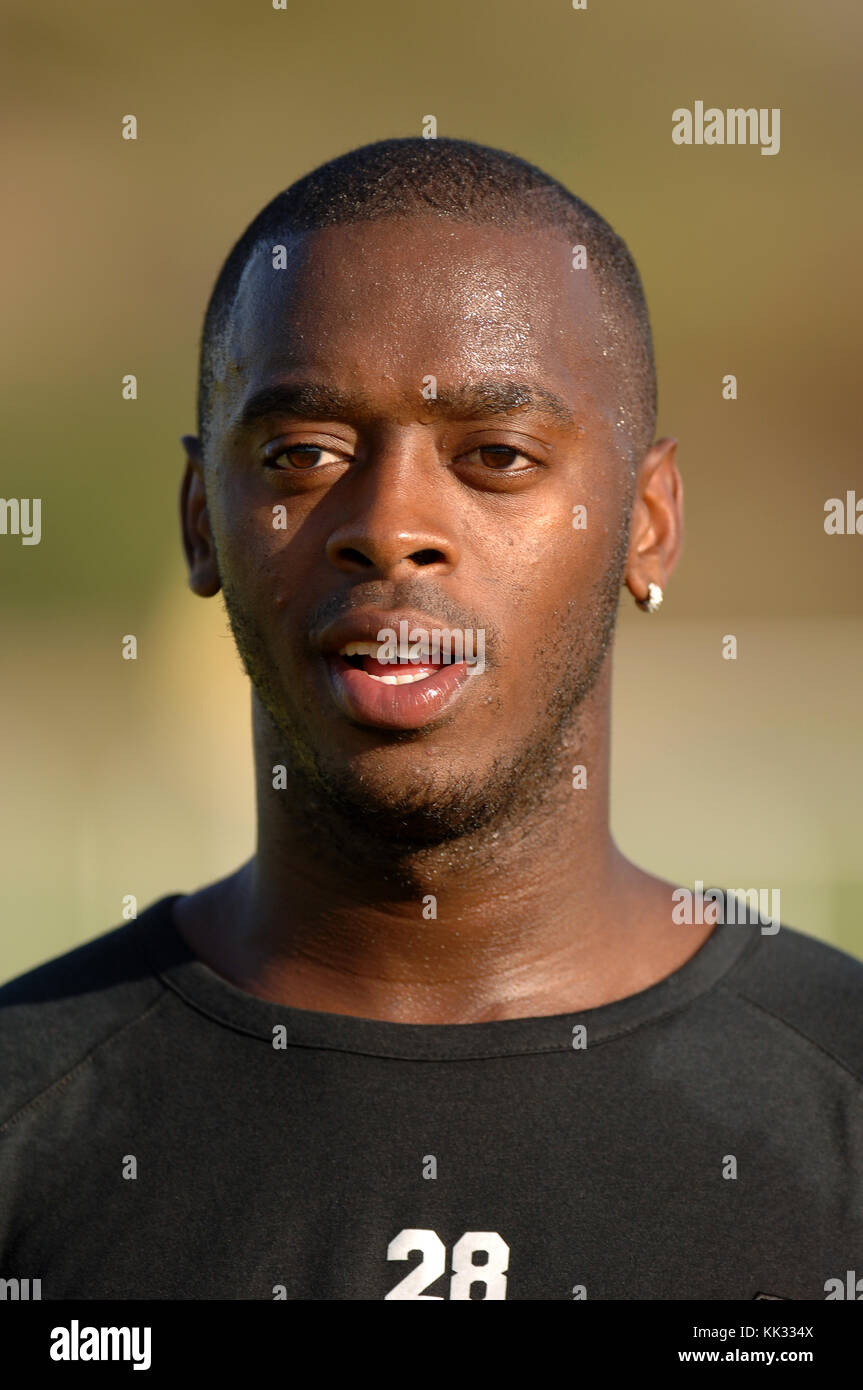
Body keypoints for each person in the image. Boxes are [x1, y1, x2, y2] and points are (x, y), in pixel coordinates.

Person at [1, 137, 861, 1301]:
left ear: (645, 522)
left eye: (496, 456)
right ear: (203, 521)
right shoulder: (30, 1111)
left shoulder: (835, 1095)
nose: (392, 523)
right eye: (304, 454)